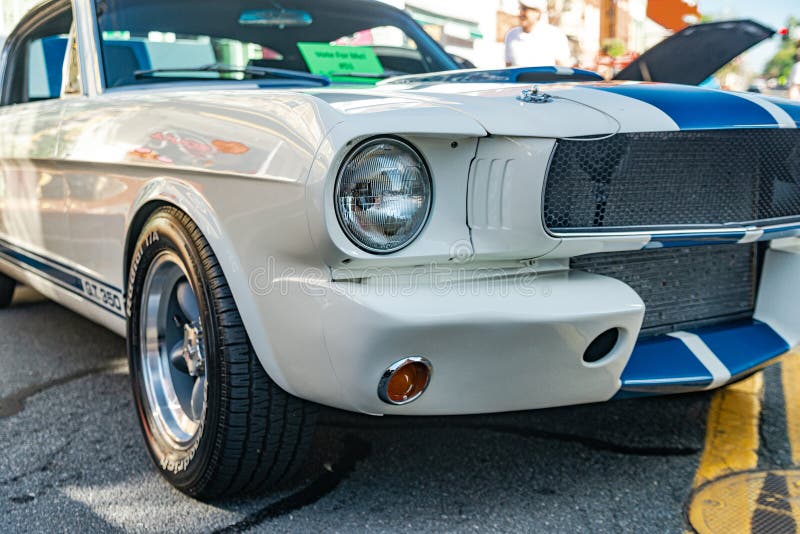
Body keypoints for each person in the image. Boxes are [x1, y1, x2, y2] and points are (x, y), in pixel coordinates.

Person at [505, 0, 571, 68]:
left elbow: (564, 69)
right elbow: (508, 69)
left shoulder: (555, 35)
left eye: (525, 9)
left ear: (537, 13)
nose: (520, 13)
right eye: (520, 8)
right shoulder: (511, 35)